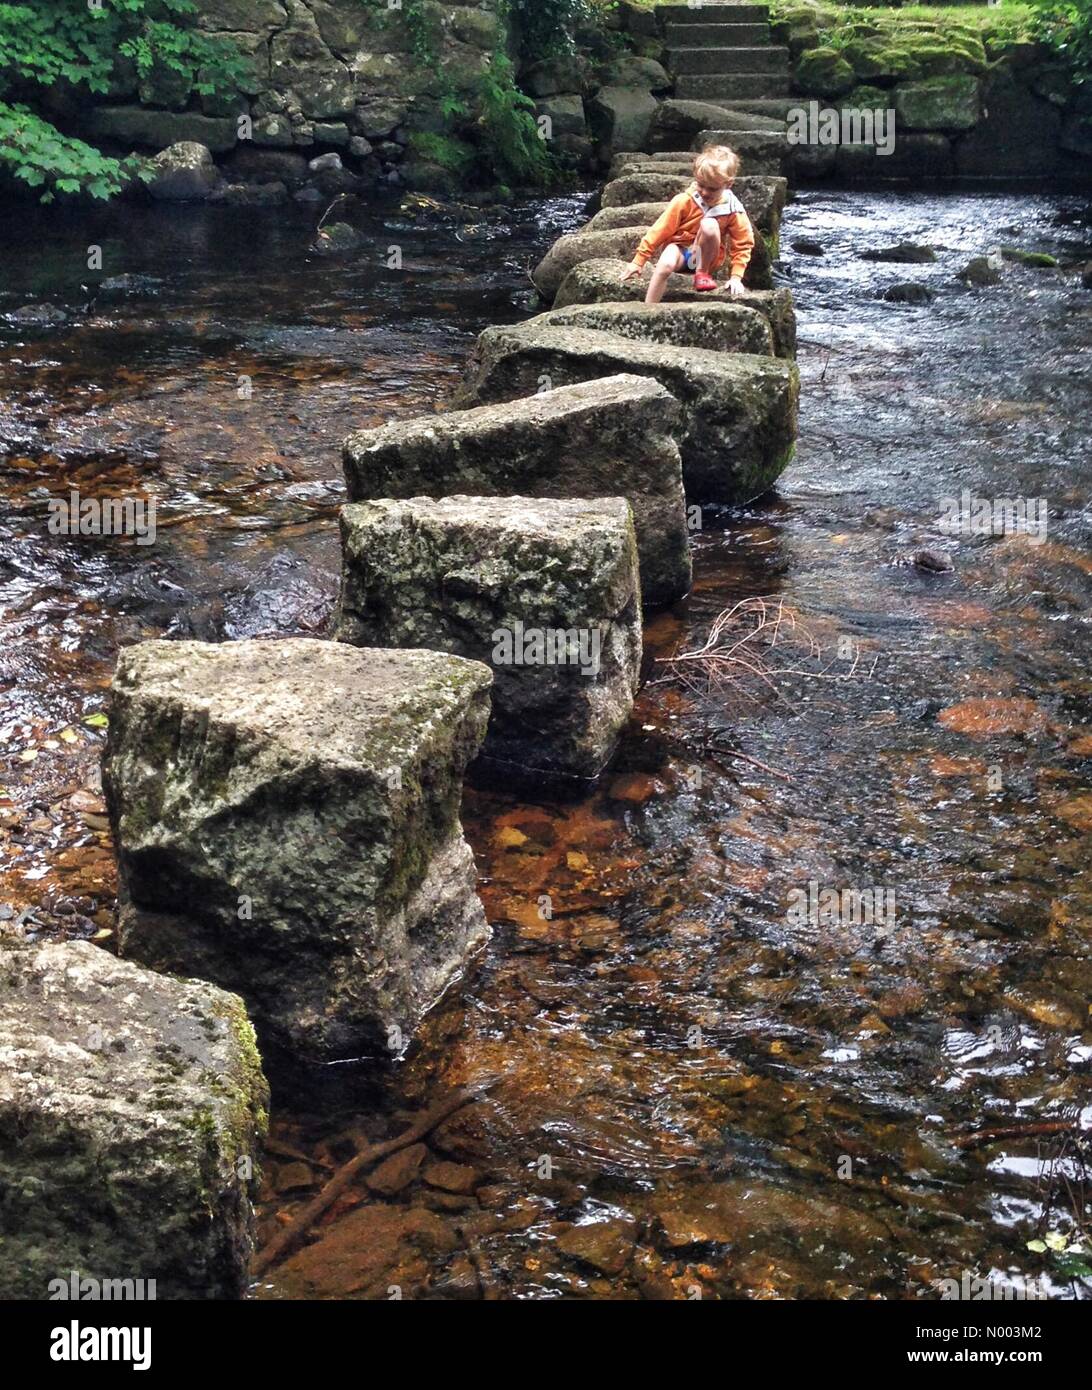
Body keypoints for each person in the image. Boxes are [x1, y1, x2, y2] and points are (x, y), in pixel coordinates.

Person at [621, 145, 754, 305]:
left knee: (709, 225)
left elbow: (743, 244)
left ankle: (702, 275)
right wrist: (638, 260)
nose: (704, 192)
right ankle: (649, 307)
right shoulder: (684, 200)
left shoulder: (733, 209)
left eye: (712, 189)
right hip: (681, 252)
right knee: (663, 265)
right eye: (700, 185)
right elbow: (661, 229)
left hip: (706, 258)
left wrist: (736, 277)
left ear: (729, 184)